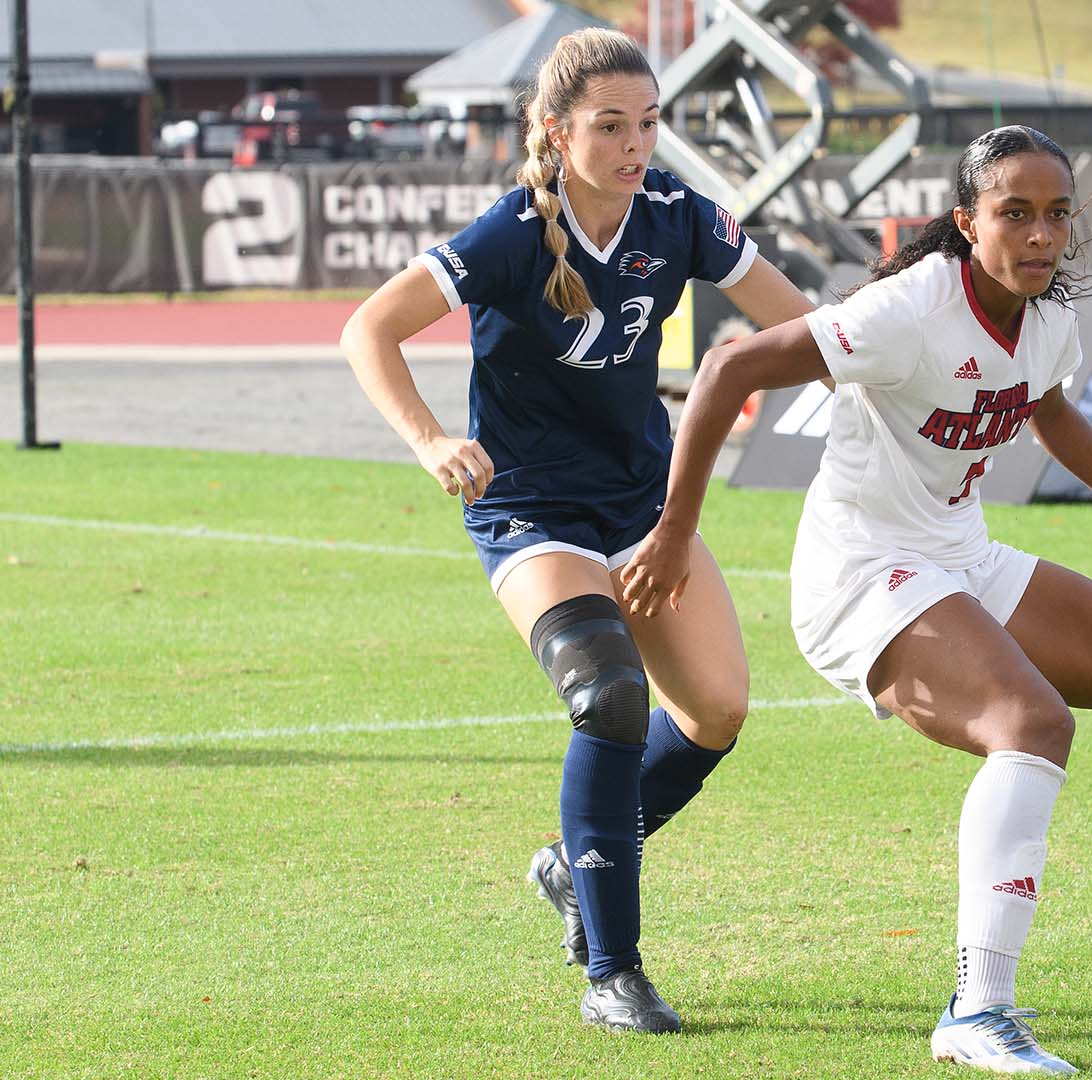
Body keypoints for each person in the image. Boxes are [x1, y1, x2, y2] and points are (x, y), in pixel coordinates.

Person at [618, 124, 1092, 1074]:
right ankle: (976, 1010)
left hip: (960, 555)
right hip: (863, 576)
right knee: (1033, 722)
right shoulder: (909, 309)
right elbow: (731, 367)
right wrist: (674, 533)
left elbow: (1046, 404)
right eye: (1013, 214)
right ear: (966, 222)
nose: (1038, 235)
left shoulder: (1050, 315)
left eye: (1056, 214)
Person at [339, 28, 813, 1034]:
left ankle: (570, 864)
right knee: (608, 696)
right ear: (555, 133)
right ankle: (613, 972)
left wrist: (847, 374)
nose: (637, 144)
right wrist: (430, 440)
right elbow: (367, 328)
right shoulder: (511, 231)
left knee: (717, 713)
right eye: (611, 126)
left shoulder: (683, 220)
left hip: (642, 512)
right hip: (533, 512)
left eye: (649, 124)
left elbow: (799, 328)